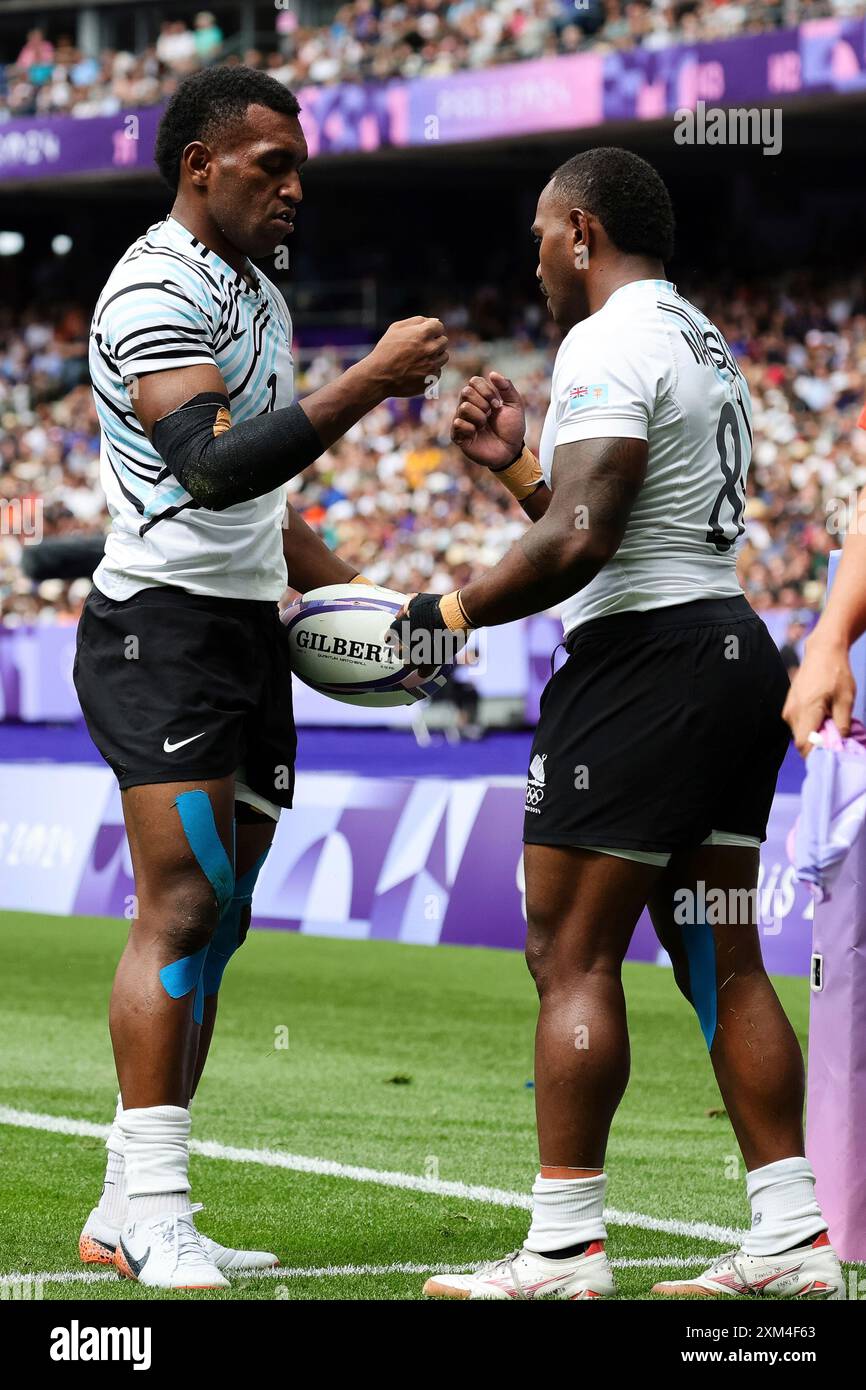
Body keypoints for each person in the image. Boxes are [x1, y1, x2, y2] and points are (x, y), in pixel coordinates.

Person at [394, 147, 844, 1300]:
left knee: (569, 953)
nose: (533, 255)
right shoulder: (698, 339)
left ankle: (560, 1248)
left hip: (641, 668)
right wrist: (516, 472)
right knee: (721, 955)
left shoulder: (604, 339)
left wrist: (444, 613)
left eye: (542, 233)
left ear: (581, 232)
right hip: (729, 651)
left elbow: (583, 546)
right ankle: (790, 1239)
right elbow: (605, 525)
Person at [74, 64, 447, 1289]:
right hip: (158, 630)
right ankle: (161, 1211)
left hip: (243, 631)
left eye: (301, 170)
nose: (294, 189)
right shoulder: (150, 287)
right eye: (268, 167)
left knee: (219, 921)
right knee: (177, 906)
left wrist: (389, 613)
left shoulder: (258, 299)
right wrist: (372, 378)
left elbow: (270, 506)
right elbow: (213, 467)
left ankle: (128, 1205)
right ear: (199, 165)